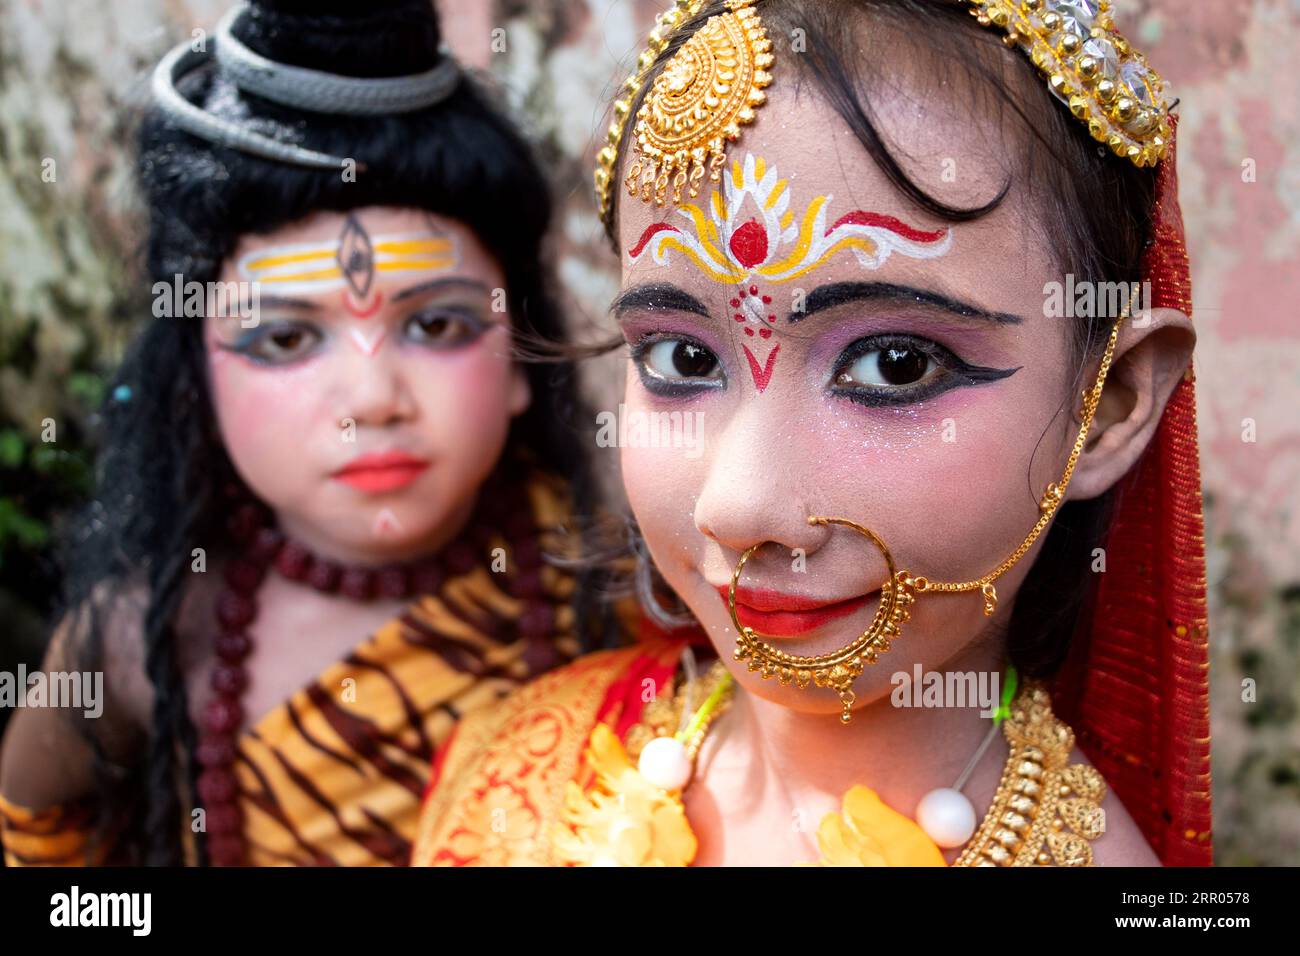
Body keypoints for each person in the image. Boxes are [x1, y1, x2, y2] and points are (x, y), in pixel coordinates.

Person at [412, 0, 1211, 867]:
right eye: (681, 358)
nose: (738, 504)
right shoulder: (515, 773)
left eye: (895, 365)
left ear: (1109, 407)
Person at [0, 0, 606, 866]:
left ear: (520, 359)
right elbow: (41, 838)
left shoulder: (607, 576)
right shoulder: (144, 639)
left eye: (435, 326)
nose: (370, 398)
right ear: (196, 380)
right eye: (284, 337)